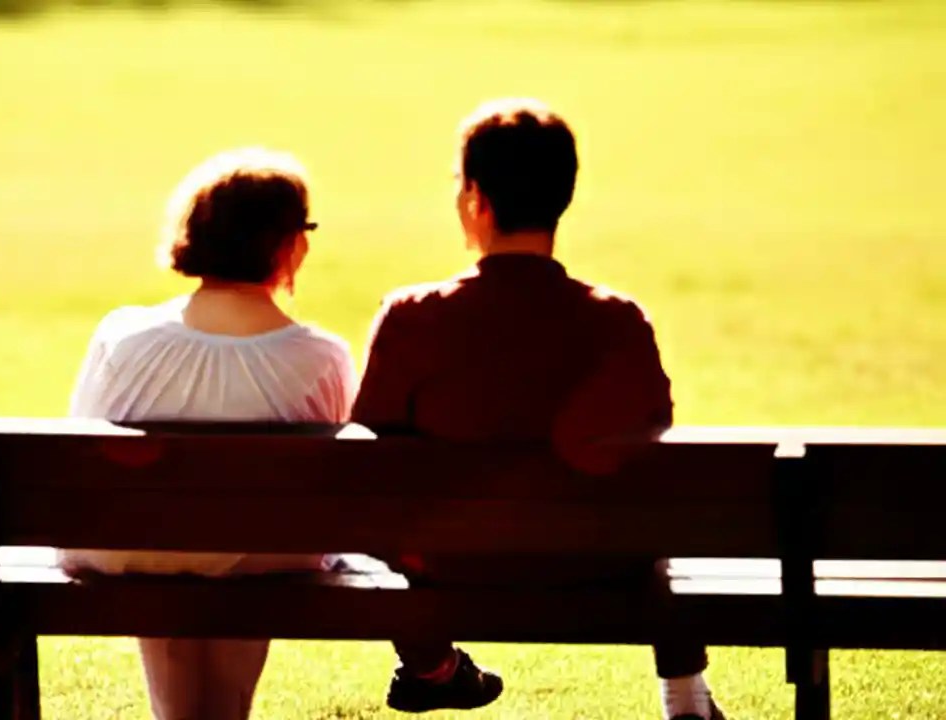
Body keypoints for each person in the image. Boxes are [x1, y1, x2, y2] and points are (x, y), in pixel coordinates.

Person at [351, 98, 724, 720]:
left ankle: (433, 667)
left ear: (475, 198)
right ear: (564, 196)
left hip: (449, 566)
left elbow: (373, 454)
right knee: (655, 514)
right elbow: (650, 447)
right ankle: (685, 699)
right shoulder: (616, 321)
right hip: (598, 561)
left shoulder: (413, 318)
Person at [58, 147, 357, 720]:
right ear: (285, 244)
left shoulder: (122, 335)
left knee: (169, 531)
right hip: (256, 555)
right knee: (251, 532)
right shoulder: (319, 356)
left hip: (122, 547)